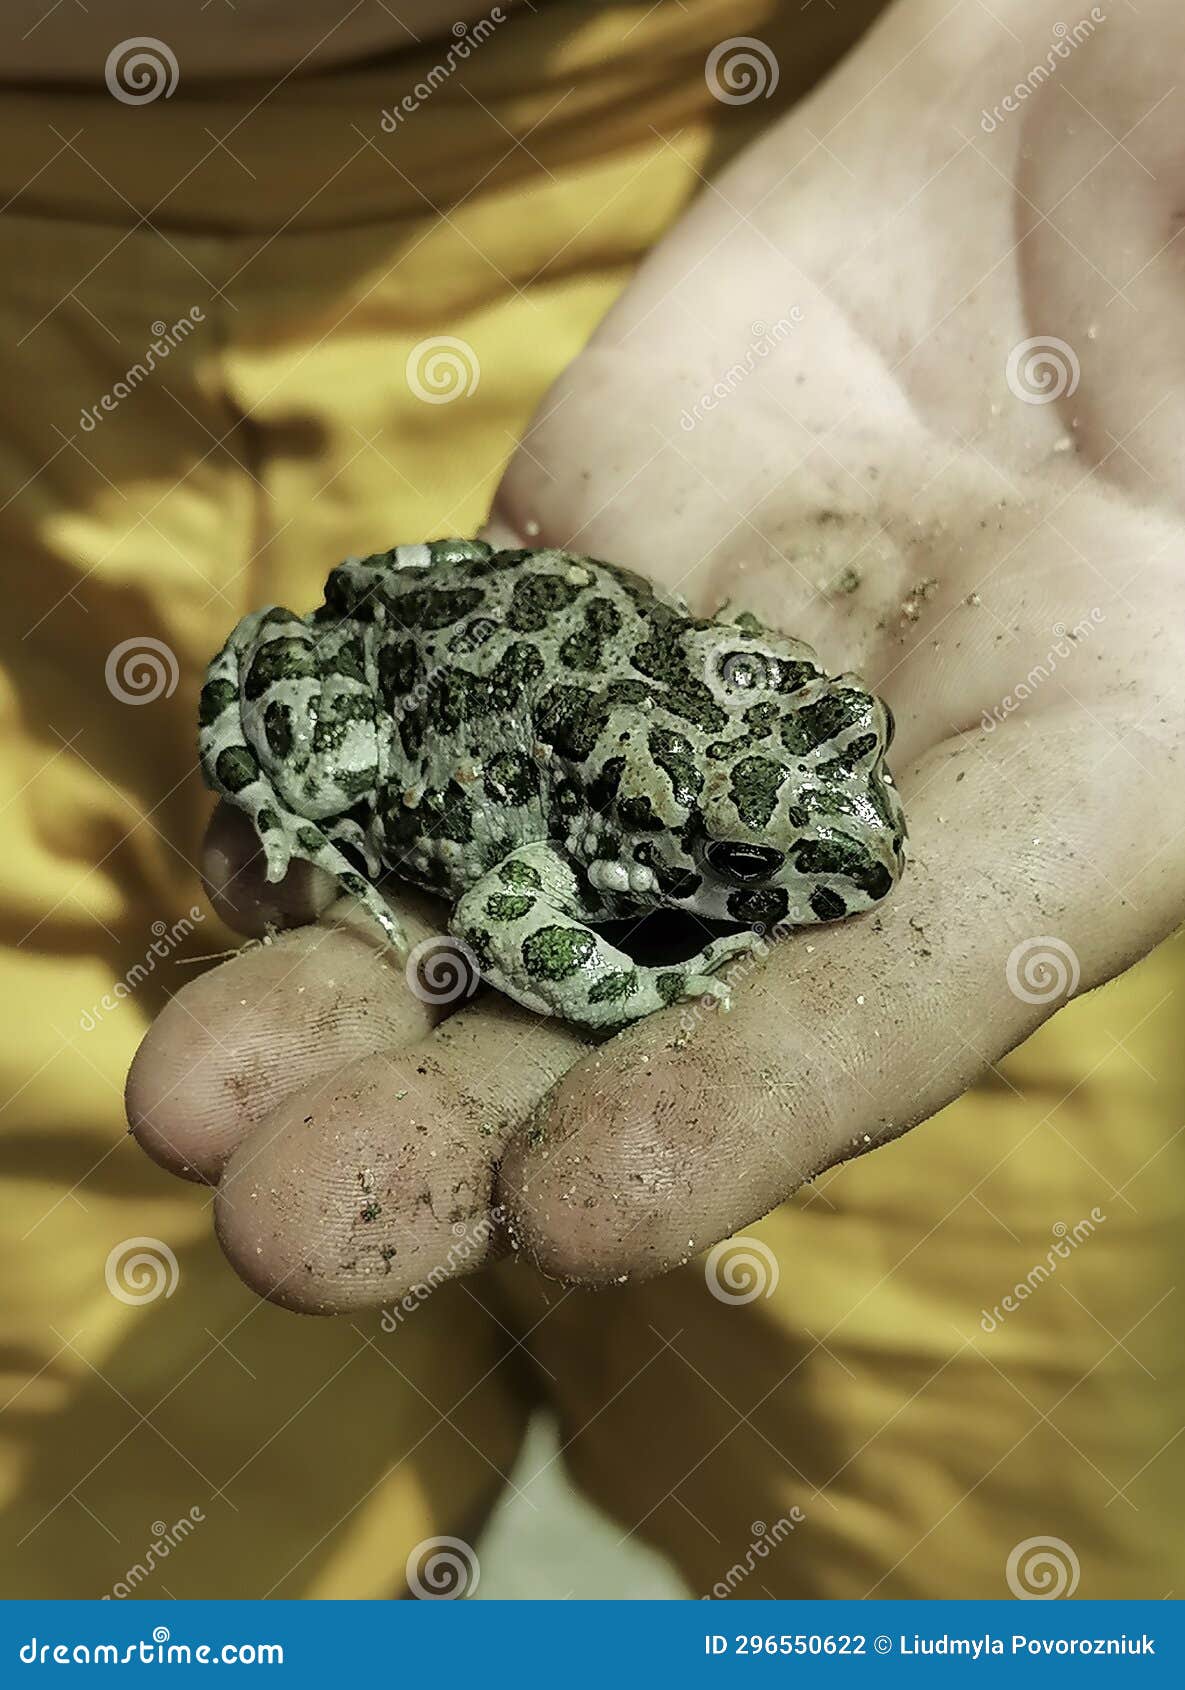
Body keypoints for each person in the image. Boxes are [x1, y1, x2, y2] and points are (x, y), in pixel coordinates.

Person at [4, 0, 1184, 1600]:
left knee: (961, 1536)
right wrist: (644, 969)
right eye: (764, 852)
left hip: (753, 171)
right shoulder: (596, 836)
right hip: (54, 299)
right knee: (169, 1555)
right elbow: (503, 903)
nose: (843, 847)